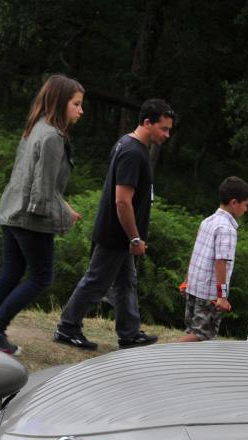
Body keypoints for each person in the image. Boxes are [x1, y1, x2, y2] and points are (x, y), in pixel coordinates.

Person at [53, 98, 174, 351]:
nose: (167, 134)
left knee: (125, 283)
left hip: (120, 234)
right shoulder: (133, 152)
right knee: (96, 282)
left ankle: (129, 333)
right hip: (116, 234)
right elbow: (122, 201)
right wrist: (135, 238)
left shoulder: (127, 144)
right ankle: (67, 326)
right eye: (163, 128)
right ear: (147, 122)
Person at [0, 75, 85, 355]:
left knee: (11, 272)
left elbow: (37, 180)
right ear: (61, 103)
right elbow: (42, 188)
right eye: (76, 104)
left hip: (12, 210)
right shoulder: (52, 136)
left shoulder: (37, 127)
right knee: (41, 276)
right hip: (29, 217)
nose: (80, 111)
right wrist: (51, 218)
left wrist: (64, 208)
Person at [179, 177, 248, 343]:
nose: (246, 209)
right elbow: (221, 263)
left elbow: (196, 254)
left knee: (193, 332)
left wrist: (186, 281)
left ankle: (181, 365)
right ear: (234, 202)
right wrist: (222, 297)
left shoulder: (208, 221)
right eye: (245, 204)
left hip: (194, 288)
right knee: (201, 337)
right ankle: (161, 354)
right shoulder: (226, 229)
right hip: (209, 294)